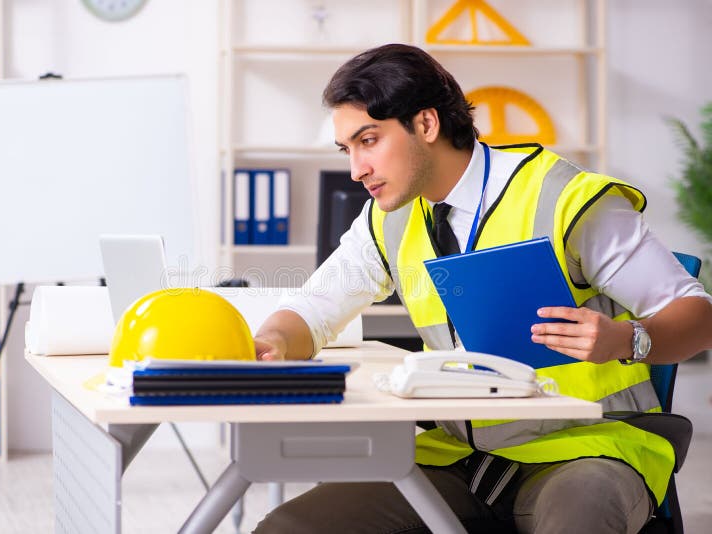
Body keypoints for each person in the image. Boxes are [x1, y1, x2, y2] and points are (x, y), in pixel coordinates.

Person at [251, 43, 712, 534]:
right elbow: (314, 306)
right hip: (459, 457)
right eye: (348, 149)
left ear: (426, 125)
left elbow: (698, 317)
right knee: (291, 527)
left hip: (587, 447)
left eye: (369, 140)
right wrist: (273, 343)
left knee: (579, 518)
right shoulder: (389, 219)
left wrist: (625, 340)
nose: (356, 169)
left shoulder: (566, 199)